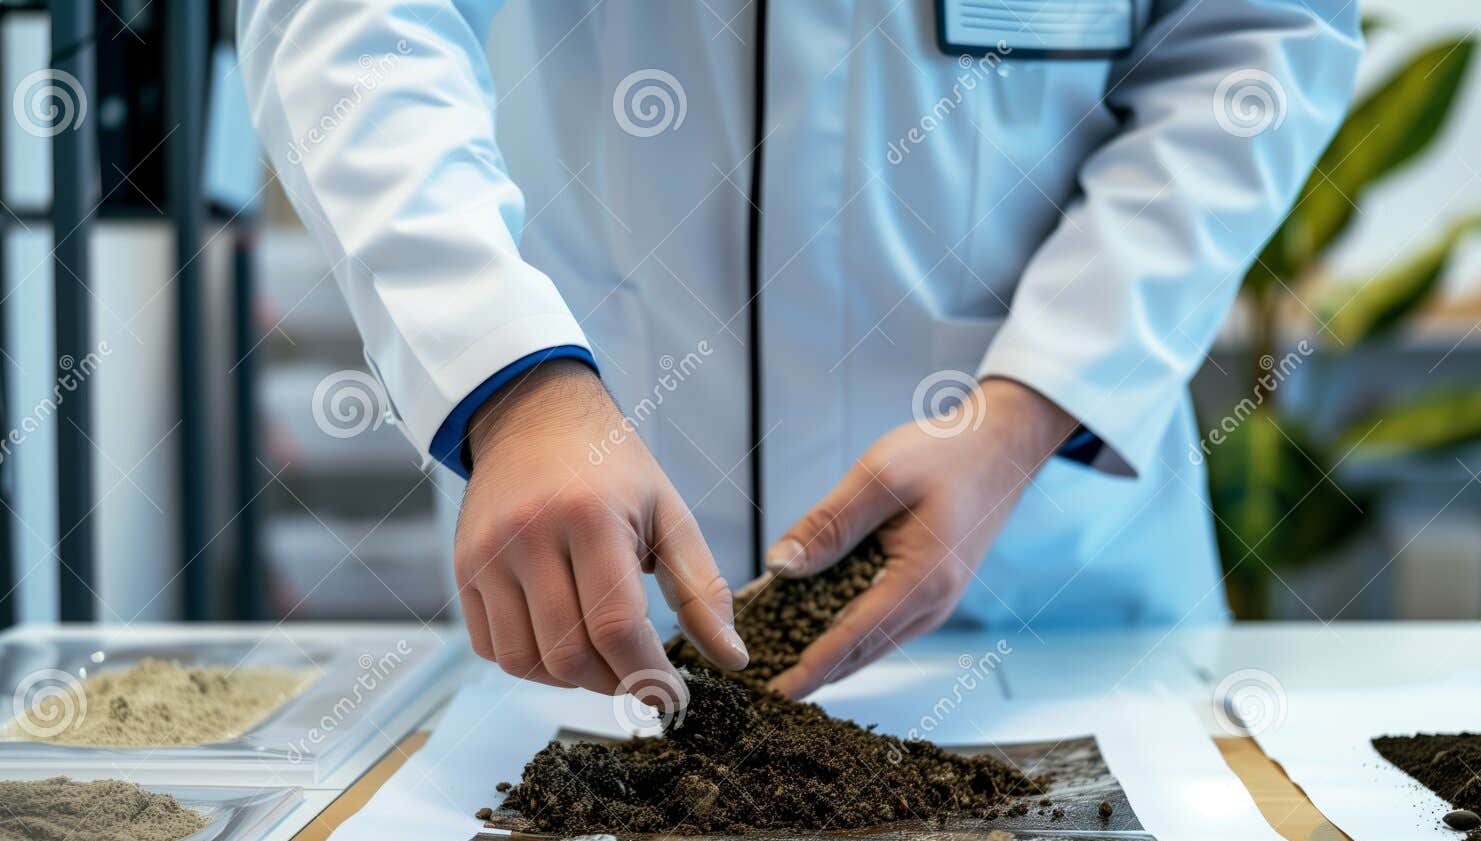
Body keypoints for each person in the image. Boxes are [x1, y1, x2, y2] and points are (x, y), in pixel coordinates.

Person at [239, 0, 1360, 702]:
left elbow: (1261, 34)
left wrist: (1030, 405)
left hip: (1047, 610)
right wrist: (510, 382)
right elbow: (355, 20)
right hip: (596, 620)